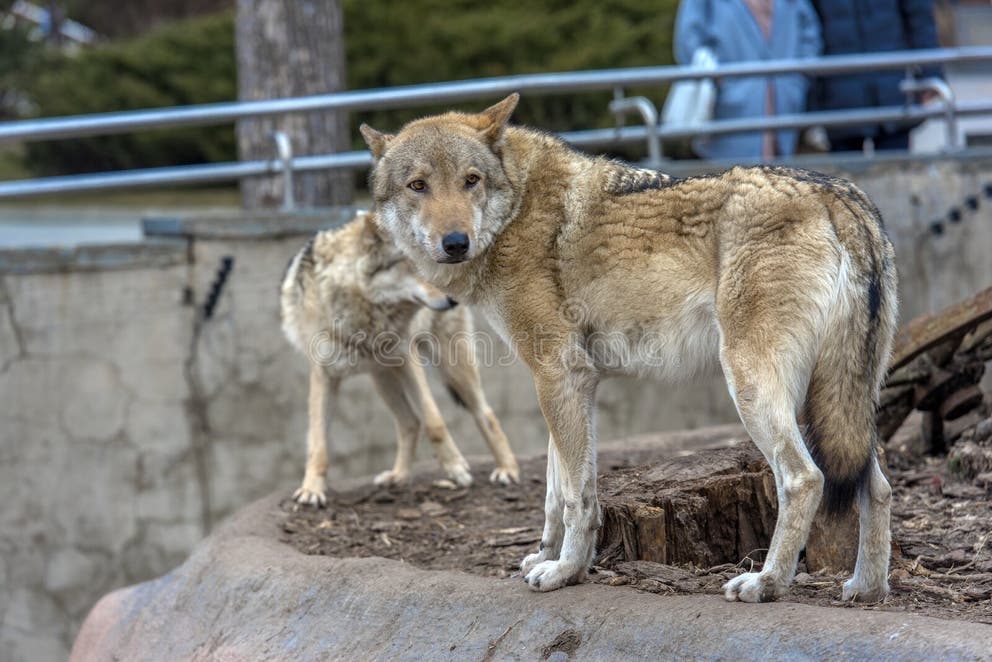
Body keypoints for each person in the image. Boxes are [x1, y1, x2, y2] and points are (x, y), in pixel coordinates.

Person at [673, 0, 822, 160]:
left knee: (777, 175)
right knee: (731, 176)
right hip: (729, 107)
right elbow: (688, 42)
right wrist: (717, 78)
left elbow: (810, 37)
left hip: (781, 101)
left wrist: (796, 80)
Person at [809, 0, 941, 151]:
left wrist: (931, 74)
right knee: (853, 163)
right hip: (849, 89)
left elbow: (920, 21)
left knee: (889, 163)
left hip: (885, 88)